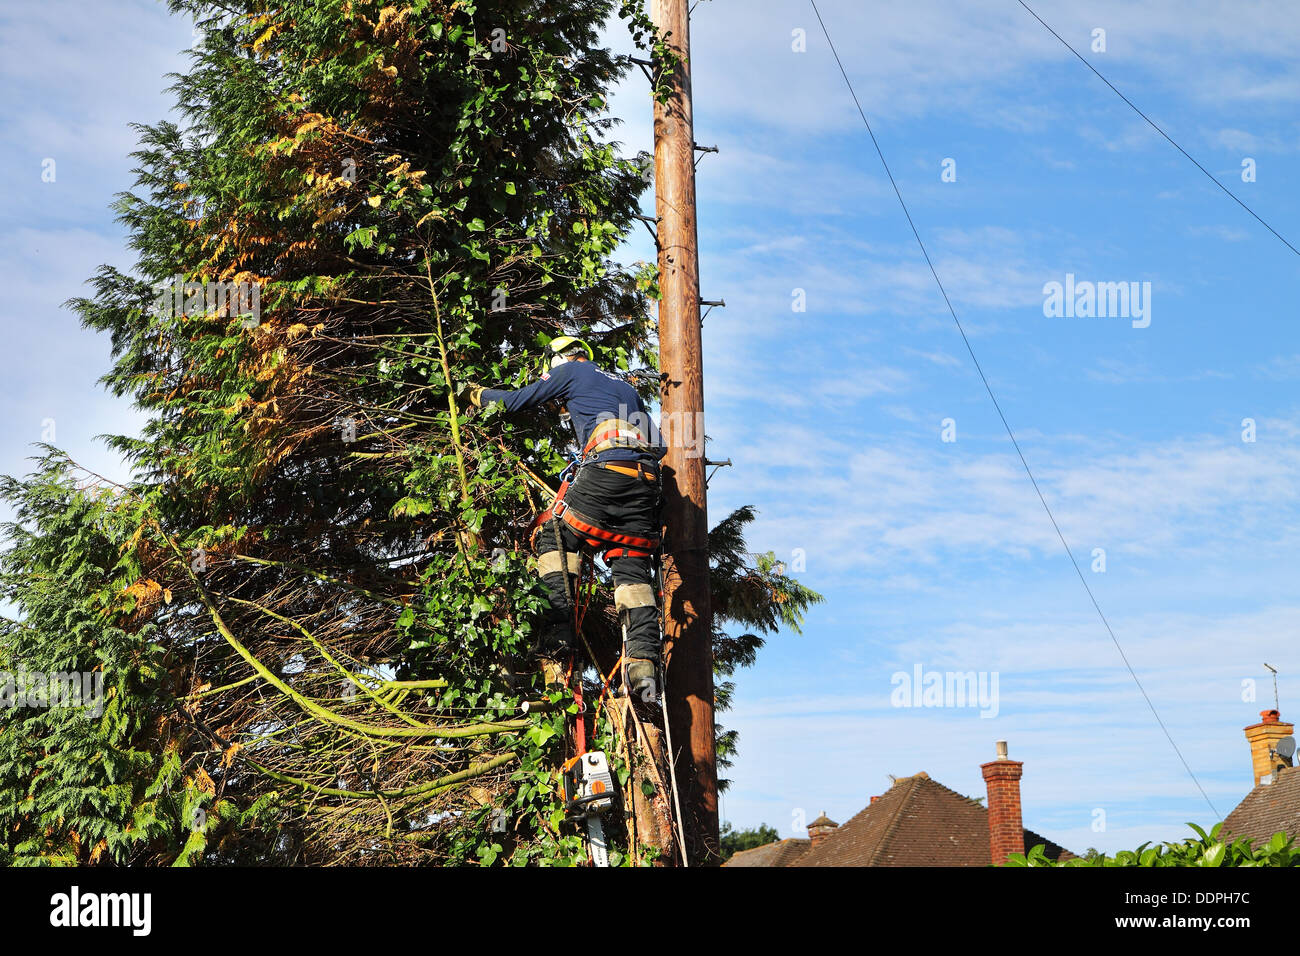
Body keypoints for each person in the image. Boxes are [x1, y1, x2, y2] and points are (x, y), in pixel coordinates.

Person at [470, 336, 666, 699]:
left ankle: (558, 638)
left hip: (606, 469)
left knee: (555, 533)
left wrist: (477, 394)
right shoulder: (625, 387)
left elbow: (514, 401)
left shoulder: (573, 371)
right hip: (645, 482)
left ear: (558, 359)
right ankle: (642, 666)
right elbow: (662, 444)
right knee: (631, 564)